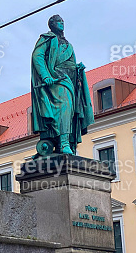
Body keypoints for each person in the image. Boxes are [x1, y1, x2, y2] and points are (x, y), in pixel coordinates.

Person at [31, 15, 94, 155]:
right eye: (58, 21)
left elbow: (69, 62)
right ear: (51, 25)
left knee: (71, 112)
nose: (62, 23)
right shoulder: (46, 39)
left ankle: (65, 143)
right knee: (64, 106)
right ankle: (64, 142)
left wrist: (78, 68)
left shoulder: (68, 44)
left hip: (70, 80)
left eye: (63, 21)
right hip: (56, 78)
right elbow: (37, 56)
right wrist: (45, 75)